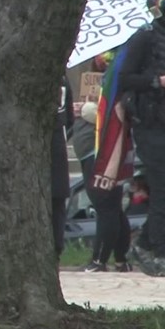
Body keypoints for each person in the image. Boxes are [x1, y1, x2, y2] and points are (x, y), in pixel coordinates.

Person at [116, 0, 165, 278]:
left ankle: (144, 242)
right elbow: (124, 78)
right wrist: (160, 81)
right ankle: (162, 252)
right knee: (161, 190)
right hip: (151, 123)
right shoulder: (144, 38)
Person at [79, 51, 134, 272]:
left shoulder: (119, 79)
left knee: (106, 205)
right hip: (89, 146)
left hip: (104, 147)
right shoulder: (93, 79)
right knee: (112, 207)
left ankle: (99, 260)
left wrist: (91, 111)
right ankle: (121, 259)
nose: (102, 59)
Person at [51, 76, 75, 257]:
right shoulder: (63, 80)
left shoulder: (62, 82)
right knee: (56, 200)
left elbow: (70, 119)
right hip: (57, 141)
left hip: (55, 143)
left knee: (56, 198)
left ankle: (55, 247)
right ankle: (55, 247)